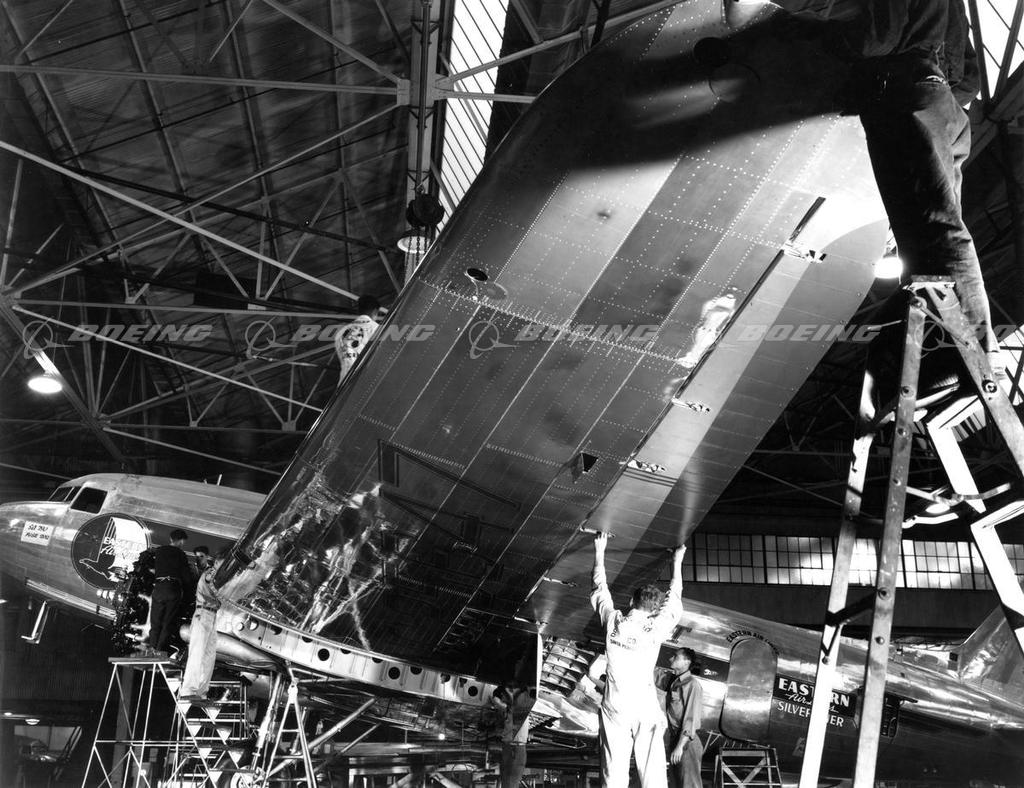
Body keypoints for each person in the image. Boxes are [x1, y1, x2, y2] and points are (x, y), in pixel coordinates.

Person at [591, 533, 685, 788]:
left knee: (613, 771)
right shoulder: (656, 628)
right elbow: (674, 599)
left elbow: (599, 588)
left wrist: (600, 550)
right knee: (652, 771)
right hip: (644, 707)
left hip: (615, 706)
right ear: (653, 610)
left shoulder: (613, 621)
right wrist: (677, 561)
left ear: (631, 601)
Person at [179, 551, 226, 702]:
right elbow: (218, 592)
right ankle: (188, 689)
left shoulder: (219, 577)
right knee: (197, 653)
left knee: (209, 656)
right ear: (217, 562)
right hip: (203, 614)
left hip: (212, 616)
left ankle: (201, 691)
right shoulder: (210, 574)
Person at [657, 648, 704, 788]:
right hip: (675, 740)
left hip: (687, 743)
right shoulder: (674, 681)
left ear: (686, 662)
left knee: (689, 785)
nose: (671, 658)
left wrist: (680, 746)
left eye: (675, 656)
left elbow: (691, 717)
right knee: (676, 784)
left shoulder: (692, 684)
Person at [148, 529, 191, 657]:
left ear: (171, 538)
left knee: (155, 622)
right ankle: (159, 652)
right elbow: (187, 577)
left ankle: (151, 650)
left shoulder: (160, 551)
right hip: (173, 589)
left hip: (159, 588)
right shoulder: (180, 554)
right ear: (181, 540)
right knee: (167, 622)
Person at [491, 680, 532, 788]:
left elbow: (497, 701)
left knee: (509, 776)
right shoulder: (515, 710)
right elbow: (498, 701)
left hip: (513, 746)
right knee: (509, 776)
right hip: (514, 747)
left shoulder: (512, 710)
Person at [334, 295, 381, 383]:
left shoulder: (341, 333)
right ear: (375, 311)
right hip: (365, 380)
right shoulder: (376, 328)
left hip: (343, 382)